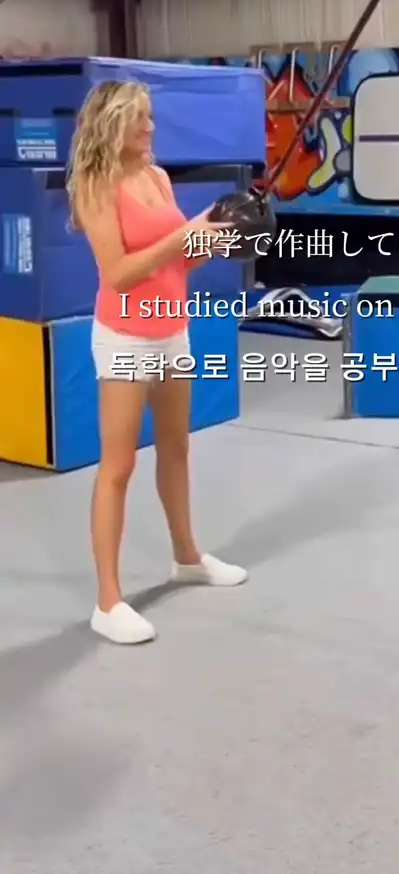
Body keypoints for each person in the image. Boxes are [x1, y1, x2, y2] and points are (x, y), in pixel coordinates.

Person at [66, 80, 248, 645]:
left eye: (150, 116)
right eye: (139, 118)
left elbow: (177, 262)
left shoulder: (157, 177)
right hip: (125, 338)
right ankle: (108, 602)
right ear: (112, 125)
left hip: (172, 331)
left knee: (176, 449)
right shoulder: (95, 185)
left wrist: (213, 241)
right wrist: (183, 238)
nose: (150, 127)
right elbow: (119, 273)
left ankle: (187, 557)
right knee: (118, 467)